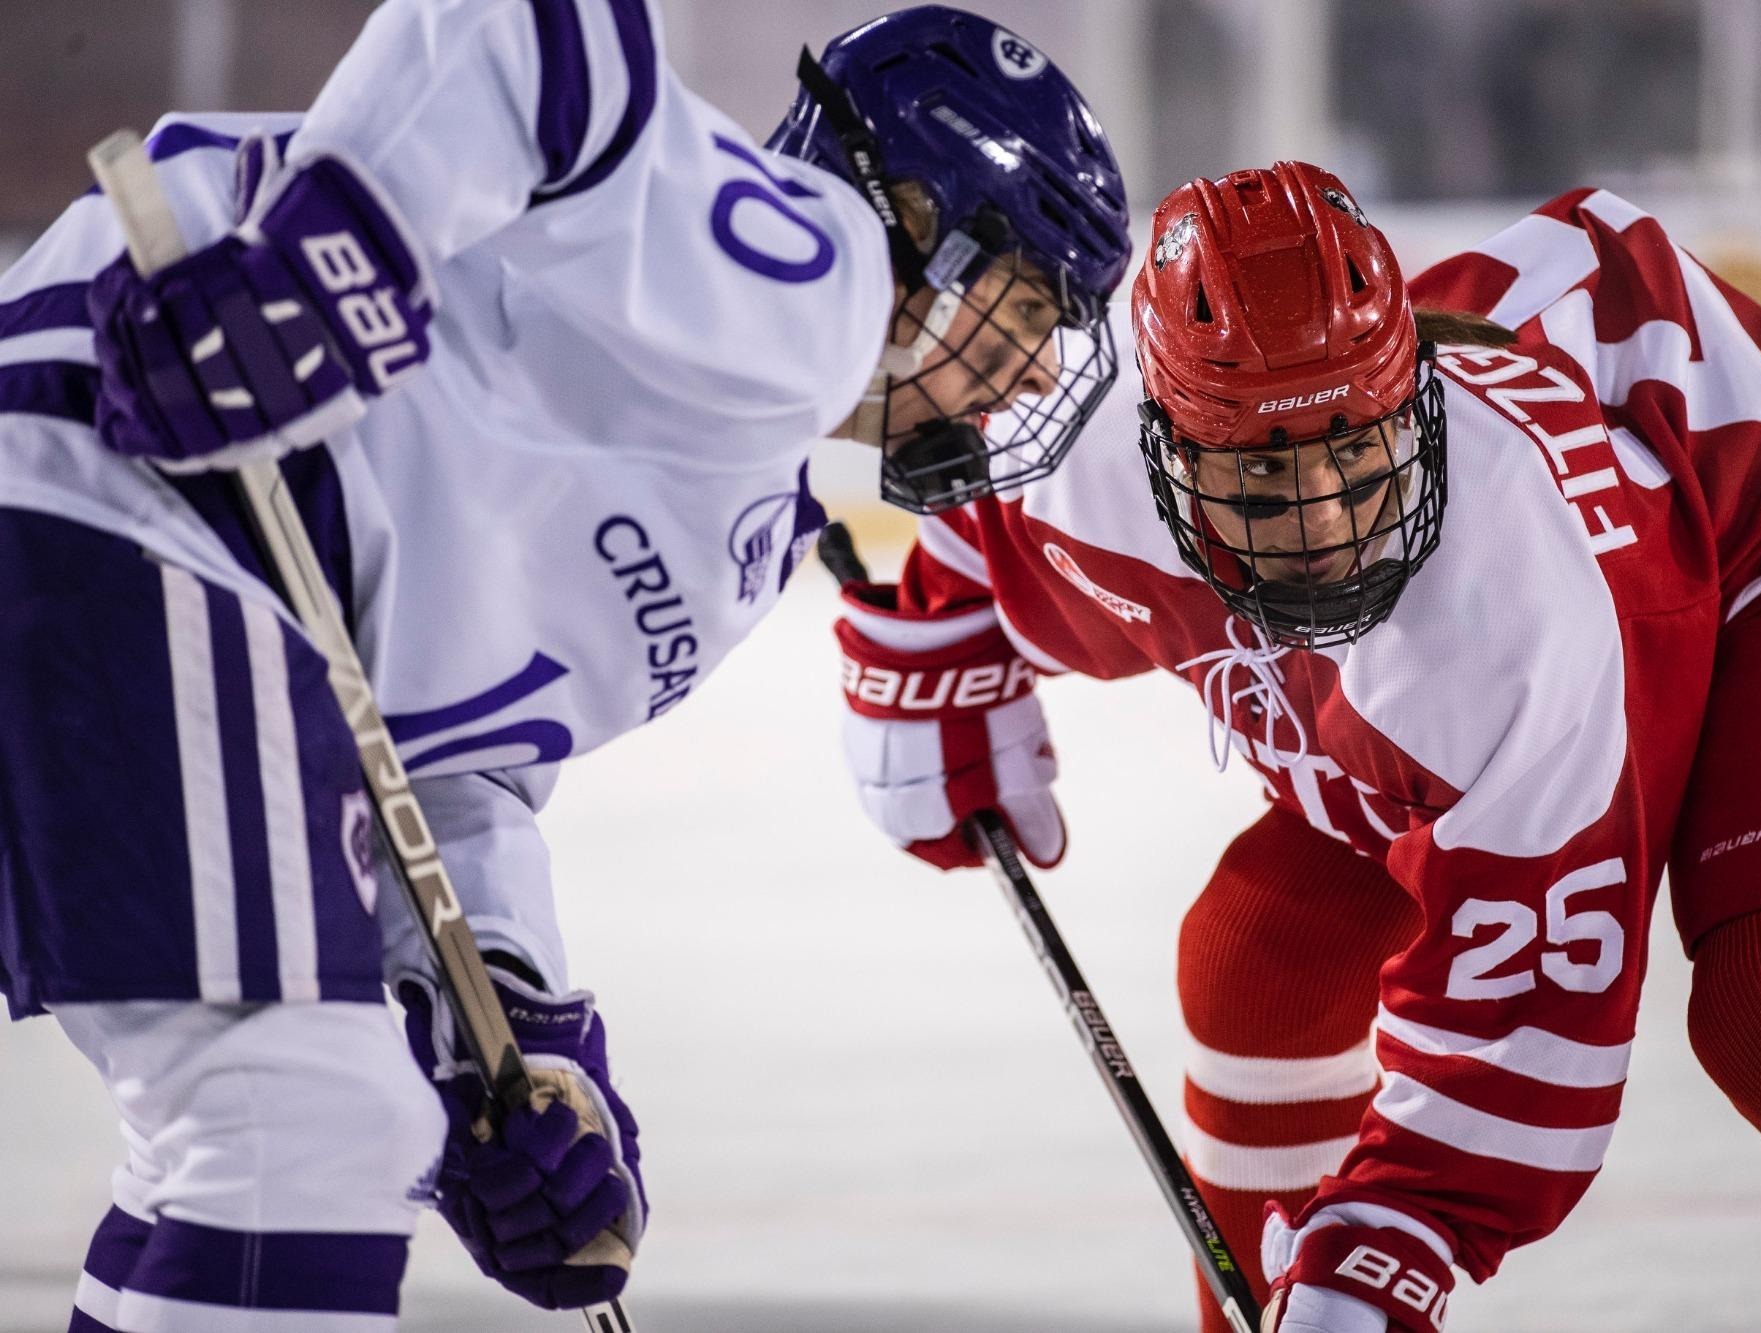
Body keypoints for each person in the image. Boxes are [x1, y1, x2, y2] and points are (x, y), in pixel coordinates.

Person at [0, 4, 1129, 1328]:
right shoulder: (813, 278)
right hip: (123, 476)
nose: (1032, 369)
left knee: (282, 1127)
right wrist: (317, 269)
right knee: (291, 1120)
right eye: (1031, 301)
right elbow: (525, 30)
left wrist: (504, 1020)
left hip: (162, 566)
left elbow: (447, 764)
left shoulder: (745, 543)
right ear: (928, 220)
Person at [834, 160, 1761, 1332]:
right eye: (1261, 469)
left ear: (1412, 402)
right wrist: (934, 655)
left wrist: (1378, 1254)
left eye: (1353, 448)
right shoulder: (1084, 469)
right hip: (1603, 576)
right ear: (1162, 452)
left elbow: (1523, 1044)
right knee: (1259, 960)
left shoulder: (1503, 606)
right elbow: (990, 539)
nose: (1327, 523)